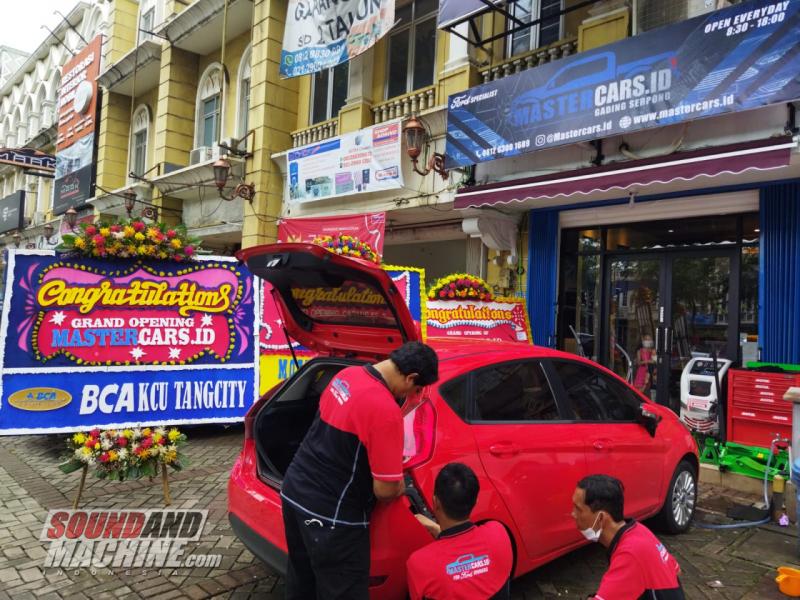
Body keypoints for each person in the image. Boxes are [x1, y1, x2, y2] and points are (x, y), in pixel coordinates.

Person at [281, 341, 439, 600]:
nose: (413, 395)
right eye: (417, 389)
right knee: (344, 591)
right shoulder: (385, 410)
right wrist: (400, 485)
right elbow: (385, 490)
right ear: (411, 377)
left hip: (294, 492)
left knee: (302, 581)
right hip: (332, 515)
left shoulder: (345, 375)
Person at [407, 463, 513, 600]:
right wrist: (437, 529)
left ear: (436, 502)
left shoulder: (419, 563)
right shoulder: (498, 533)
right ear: (476, 501)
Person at [571, 474, 685, 600]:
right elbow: (676, 570)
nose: (573, 514)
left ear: (601, 518)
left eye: (578, 509)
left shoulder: (629, 554)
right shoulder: (638, 530)